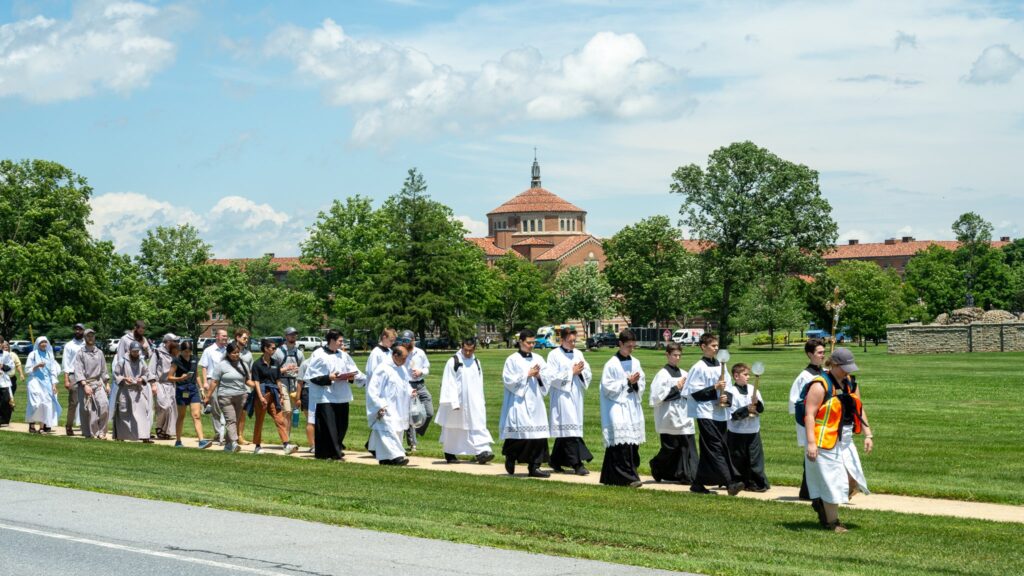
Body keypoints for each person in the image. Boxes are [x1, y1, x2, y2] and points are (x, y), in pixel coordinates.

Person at [801, 348, 873, 532]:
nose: (848, 371)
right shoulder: (820, 385)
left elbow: (859, 408)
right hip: (824, 440)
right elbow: (809, 414)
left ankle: (822, 504)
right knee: (832, 481)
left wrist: (868, 434)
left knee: (853, 479)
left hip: (846, 438)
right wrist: (810, 443)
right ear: (833, 364)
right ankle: (832, 522)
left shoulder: (851, 383)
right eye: (844, 367)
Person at [685, 333, 743, 495]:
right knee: (715, 446)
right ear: (703, 347)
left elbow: (730, 387)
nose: (716, 349)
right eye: (713, 346)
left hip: (720, 412)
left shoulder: (720, 365)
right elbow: (694, 393)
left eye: (717, 346)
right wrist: (714, 389)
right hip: (705, 412)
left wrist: (727, 397)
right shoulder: (698, 367)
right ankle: (730, 482)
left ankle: (698, 483)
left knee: (715, 446)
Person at [304, 330, 366, 460]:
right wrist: (329, 377)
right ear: (331, 340)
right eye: (340, 341)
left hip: (341, 394)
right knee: (329, 426)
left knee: (342, 425)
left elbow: (354, 370)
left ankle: (335, 449)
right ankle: (332, 453)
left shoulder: (343, 355)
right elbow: (311, 376)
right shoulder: (319, 354)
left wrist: (358, 378)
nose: (342, 343)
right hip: (325, 395)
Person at [498, 328, 550, 478]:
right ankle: (510, 456)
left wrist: (539, 376)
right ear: (521, 342)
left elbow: (547, 378)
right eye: (529, 343)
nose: (532, 345)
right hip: (519, 400)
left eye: (533, 342)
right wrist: (527, 374)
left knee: (539, 435)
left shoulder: (539, 359)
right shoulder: (512, 359)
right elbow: (508, 380)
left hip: (536, 400)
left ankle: (535, 466)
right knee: (521, 434)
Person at [542, 327, 593, 475]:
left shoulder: (578, 353)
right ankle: (577, 464)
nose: (573, 344)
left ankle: (555, 460)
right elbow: (551, 376)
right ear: (562, 340)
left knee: (567, 429)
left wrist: (581, 372)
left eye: (574, 341)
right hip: (562, 396)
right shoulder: (554, 355)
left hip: (576, 394)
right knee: (570, 430)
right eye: (570, 341)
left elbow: (588, 372)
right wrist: (572, 372)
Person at [599, 329, 647, 488]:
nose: (631, 349)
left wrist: (635, 383)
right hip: (617, 407)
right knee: (621, 444)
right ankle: (628, 478)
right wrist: (626, 382)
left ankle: (611, 476)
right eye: (628, 346)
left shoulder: (636, 362)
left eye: (633, 346)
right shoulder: (611, 364)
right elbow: (607, 388)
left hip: (632, 405)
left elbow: (642, 382)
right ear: (620, 344)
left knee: (632, 443)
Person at [436, 337, 494, 464]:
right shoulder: (453, 361)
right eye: (465, 350)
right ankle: (450, 453)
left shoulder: (476, 362)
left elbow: (479, 382)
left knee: (477, 424)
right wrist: (453, 402)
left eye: (471, 350)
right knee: (453, 427)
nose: (468, 353)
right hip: (457, 401)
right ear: (461, 346)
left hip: (474, 401)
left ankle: (482, 451)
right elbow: (448, 382)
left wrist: (480, 401)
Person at [648, 342, 698, 484]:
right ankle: (657, 466)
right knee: (671, 447)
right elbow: (657, 398)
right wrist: (676, 387)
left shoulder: (684, 373)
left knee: (686, 445)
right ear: (667, 355)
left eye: (679, 355)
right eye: (674, 355)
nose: (677, 358)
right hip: (669, 415)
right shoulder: (662, 375)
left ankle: (687, 475)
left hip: (684, 413)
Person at [366, 344, 418, 465]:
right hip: (386, 406)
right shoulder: (383, 369)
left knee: (397, 431)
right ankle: (398, 456)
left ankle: (385, 459)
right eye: (403, 358)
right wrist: (380, 404)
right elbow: (373, 389)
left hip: (400, 407)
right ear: (395, 355)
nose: (405, 360)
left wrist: (411, 391)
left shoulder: (402, 368)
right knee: (388, 430)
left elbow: (405, 384)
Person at [789, 338, 826, 500]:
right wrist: (807, 421)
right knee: (811, 456)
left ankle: (816, 490)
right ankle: (808, 491)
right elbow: (796, 403)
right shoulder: (804, 377)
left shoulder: (823, 372)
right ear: (810, 354)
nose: (822, 355)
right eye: (819, 353)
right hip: (809, 422)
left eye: (824, 352)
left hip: (823, 422)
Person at [726, 363, 769, 492]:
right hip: (737, 431)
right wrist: (746, 409)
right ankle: (739, 482)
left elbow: (761, 409)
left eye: (748, 374)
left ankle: (756, 482)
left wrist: (757, 404)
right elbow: (731, 413)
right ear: (736, 376)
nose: (748, 377)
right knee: (738, 458)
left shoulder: (753, 389)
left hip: (753, 429)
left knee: (755, 458)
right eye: (745, 374)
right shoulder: (731, 391)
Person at [252, 338, 297, 455]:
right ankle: (257, 446)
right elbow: (256, 382)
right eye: (272, 348)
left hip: (274, 394)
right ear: (266, 349)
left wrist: (281, 394)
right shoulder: (257, 364)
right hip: (262, 393)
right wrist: (260, 397)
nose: (274, 350)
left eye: (275, 348)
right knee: (259, 420)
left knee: (280, 419)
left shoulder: (275, 363)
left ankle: (286, 444)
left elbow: (278, 379)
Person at [208, 342, 253, 453]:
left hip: (241, 396)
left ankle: (228, 445)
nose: (236, 355)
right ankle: (234, 442)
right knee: (231, 419)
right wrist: (208, 396)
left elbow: (247, 380)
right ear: (228, 353)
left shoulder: (243, 365)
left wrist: (257, 386)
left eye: (238, 352)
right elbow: (214, 382)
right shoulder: (221, 365)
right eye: (233, 353)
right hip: (225, 396)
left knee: (235, 421)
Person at [171, 341, 212, 449]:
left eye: (189, 352)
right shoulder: (177, 360)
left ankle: (201, 441)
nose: (187, 354)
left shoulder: (194, 359)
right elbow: (169, 377)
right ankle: (178, 441)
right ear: (181, 350)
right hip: (181, 389)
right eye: (185, 352)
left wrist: (201, 388)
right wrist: (180, 378)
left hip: (193, 389)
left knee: (196, 415)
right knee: (181, 416)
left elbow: (197, 375)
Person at [112, 341, 155, 443]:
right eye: (134, 351)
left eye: (137, 351)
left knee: (143, 413)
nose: (136, 353)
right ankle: (121, 436)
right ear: (130, 351)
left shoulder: (141, 361)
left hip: (138, 391)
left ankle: (144, 436)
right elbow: (115, 375)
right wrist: (124, 378)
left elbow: (147, 373)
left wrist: (142, 379)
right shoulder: (122, 361)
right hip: (125, 390)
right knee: (124, 414)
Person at [73, 329, 111, 439]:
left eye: (92, 336)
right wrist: (85, 385)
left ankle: (102, 431)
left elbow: (104, 370)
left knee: (104, 405)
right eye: (88, 336)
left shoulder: (99, 352)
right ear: (84, 338)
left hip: (98, 383)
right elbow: (78, 371)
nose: (90, 338)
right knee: (88, 410)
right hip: (85, 383)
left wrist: (107, 383)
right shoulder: (80, 353)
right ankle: (90, 432)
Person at [401, 330, 433, 452]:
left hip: (420, 385)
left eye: (407, 341)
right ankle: (412, 443)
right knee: (412, 414)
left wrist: (421, 371)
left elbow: (427, 367)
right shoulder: (400, 353)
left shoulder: (420, 353)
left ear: (413, 340)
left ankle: (417, 430)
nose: (405, 343)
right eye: (403, 341)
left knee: (429, 412)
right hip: (407, 385)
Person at [113, 320, 152, 415]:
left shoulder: (143, 339)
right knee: (125, 405)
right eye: (140, 331)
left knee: (142, 404)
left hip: (140, 372)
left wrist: (146, 348)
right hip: (127, 373)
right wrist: (123, 377)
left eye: (143, 332)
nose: (141, 334)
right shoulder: (125, 339)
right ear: (135, 328)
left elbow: (149, 356)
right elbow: (120, 357)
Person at [25, 336, 62, 434]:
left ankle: (42, 428)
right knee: (35, 404)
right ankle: (32, 424)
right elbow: (27, 370)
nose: (44, 344)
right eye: (42, 342)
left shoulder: (50, 355)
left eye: (45, 342)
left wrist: (54, 384)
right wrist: (36, 366)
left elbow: (53, 371)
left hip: (47, 383)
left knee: (46, 405)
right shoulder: (32, 355)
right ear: (38, 343)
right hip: (34, 382)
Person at [272, 327, 304, 437]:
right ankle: (286, 438)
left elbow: (303, 369)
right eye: (291, 335)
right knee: (287, 411)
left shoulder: (299, 352)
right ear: (286, 336)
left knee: (294, 412)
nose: (293, 337)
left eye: (294, 335)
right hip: (283, 382)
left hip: (295, 383)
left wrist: (298, 369)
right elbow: (272, 370)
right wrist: (284, 370)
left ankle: (287, 437)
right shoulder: (278, 352)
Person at [199, 329, 229, 444]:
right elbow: (204, 367)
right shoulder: (209, 350)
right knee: (215, 406)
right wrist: (205, 382)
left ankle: (227, 434)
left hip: (225, 380)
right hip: (212, 380)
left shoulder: (228, 350)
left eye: (226, 336)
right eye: (223, 336)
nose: (225, 338)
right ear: (217, 336)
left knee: (226, 406)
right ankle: (218, 433)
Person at [149, 334, 179, 440]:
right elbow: (151, 369)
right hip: (160, 383)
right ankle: (159, 428)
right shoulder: (157, 352)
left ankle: (164, 431)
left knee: (171, 409)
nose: (177, 343)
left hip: (171, 384)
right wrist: (153, 384)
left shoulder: (175, 353)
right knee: (164, 406)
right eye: (174, 341)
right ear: (168, 342)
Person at [60, 323, 85, 436]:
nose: (78, 331)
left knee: (86, 403)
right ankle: (69, 425)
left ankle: (85, 425)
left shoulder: (87, 344)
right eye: (76, 329)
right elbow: (66, 362)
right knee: (73, 403)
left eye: (80, 329)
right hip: (73, 375)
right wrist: (66, 379)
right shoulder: (69, 345)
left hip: (86, 375)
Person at [231, 329, 254, 445]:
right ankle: (230, 436)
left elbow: (250, 371)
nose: (246, 340)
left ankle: (239, 436)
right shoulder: (230, 350)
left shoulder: (248, 354)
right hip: (231, 386)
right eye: (244, 338)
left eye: (247, 339)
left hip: (245, 387)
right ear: (237, 337)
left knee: (243, 413)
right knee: (231, 414)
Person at [293, 357, 314, 453]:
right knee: (310, 420)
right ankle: (313, 445)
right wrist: (298, 398)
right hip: (307, 391)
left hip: (320, 391)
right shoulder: (305, 364)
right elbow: (300, 382)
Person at [0, 337, 16, 427]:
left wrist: (3, 366)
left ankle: (4, 420)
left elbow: (11, 366)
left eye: (0, 343)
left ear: (2, 344)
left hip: (3, 380)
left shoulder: (6, 354)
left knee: (5, 400)